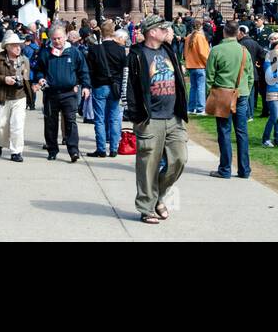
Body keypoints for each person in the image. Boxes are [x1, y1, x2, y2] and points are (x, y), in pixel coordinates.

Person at [125, 13, 188, 225]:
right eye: (163, 29)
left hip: (173, 116)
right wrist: (136, 116)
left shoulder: (168, 50)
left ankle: (158, 195)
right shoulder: (136, 55)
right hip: (150, 118)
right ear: (152, 32)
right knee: (148, 165)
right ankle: (146, 207)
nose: (167, 31)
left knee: (179, 159)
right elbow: (129, 88)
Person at [35, 23, 91, 162]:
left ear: (65, 37)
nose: (57, 41)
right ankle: (52, 150)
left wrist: (85, 86)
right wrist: (40, 78)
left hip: (69, 93)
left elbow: (83, 70)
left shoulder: (74, 52)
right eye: (54, 39)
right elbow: (38, 70)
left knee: (71, 122)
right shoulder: (45, 52)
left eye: (59, 38)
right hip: (51, 94)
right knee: (50, 123)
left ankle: (73, 151)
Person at [205, 21, 254, 179]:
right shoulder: (244, 51)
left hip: (222, 93)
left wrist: (209, 94)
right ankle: (244, 170)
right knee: (242, 133)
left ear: (225, 32)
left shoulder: (217, 50)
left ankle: (225, 169)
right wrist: (245, 90)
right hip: (242, 93)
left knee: (224, 132)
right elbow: (251, 76)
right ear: (238, 33)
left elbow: (209, 76)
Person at [86, 21, 127, 158]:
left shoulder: (94, 49)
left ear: (101, 33)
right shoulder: (120, 49)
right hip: (115, 86)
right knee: (114, 118)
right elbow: (124, 70)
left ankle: (101, 149)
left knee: (99, 119)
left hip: (99, 85)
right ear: (113, 32)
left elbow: (90, 70)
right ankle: (114, 148)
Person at [0, 31, 29, 162]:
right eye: (15, 45)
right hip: (3, 97)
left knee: (17, 125)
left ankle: (16, 151)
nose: (18, 48)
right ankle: (0, 143)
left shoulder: (24, 60)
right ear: (8, 47)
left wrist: (30, 88)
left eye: (19, 45)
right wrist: (5, 79)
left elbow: (27, 78)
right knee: (0, 125)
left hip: (19, 96)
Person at [183, 18, 211, 115]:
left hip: (191, 65)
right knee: (200, 87)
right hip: (200, 65)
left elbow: (185, 53)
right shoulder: (200, 37)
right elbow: (203, 53)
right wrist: (208, 63)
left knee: (193, 87)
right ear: (201, 27)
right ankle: (200, 108)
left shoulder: (188, 37)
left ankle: (191, 108)